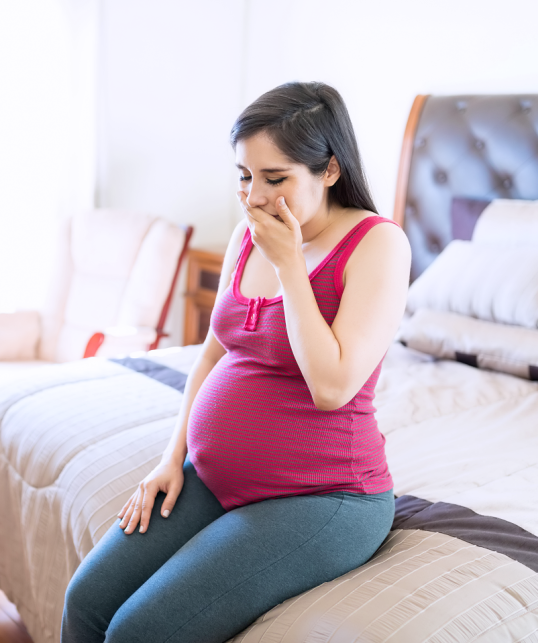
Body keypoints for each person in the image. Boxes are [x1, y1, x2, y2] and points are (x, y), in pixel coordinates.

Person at [61, 81, 411, 643]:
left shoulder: (378, 244)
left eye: (275, 179)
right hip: (212, 477)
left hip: (324, 496)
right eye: (245, 177)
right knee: (87, 603)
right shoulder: (248, 238)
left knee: (138, 631)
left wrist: (291, 268)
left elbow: (332, 386)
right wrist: (170, 458)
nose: (253, 197)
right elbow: (210, 357)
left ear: (330, 170)